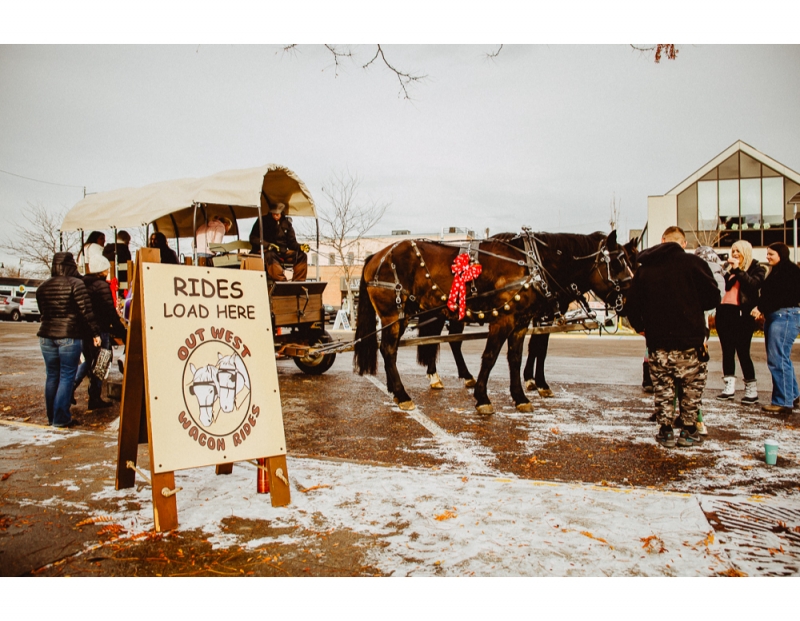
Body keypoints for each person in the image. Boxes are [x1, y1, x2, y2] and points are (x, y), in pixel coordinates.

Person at [624, 226, 721, 449]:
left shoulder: (645, 269)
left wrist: (641, 328)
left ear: (662, 240)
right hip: (690, 341)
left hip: (658, 342)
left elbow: (632, 306)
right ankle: (688, 430)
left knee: (663, 387)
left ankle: (665, 430)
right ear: (683, 244)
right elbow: (713, 298)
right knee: (691, 387)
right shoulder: (695, 264)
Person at [35, 252, 101, 428]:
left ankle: (51, 417)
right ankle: (61, 418)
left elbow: (43, 312)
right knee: (66, 376)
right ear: (71, 266)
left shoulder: (42, 287)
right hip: (69, 335)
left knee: (52, 376)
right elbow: (86, 311)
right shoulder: (76, 284)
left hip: (46, 336)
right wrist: (95, 333)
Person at [713, 240, 765, 404]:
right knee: (727, 351)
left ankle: (751, 389)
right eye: (733, 250)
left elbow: (753, 285)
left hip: (742, 314)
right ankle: (729, 387)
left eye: (738, 251)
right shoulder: (728, 270)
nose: (735, 254)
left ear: (746, 252)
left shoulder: (757, 268)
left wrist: (738, 269)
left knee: (743, 351)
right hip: (724, 312)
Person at [751, 242, 800, 415]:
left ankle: (783, 401)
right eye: (767, 253)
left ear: (781, 254)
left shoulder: (788, 272)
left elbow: (777, 295)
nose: (768, 256)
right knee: (781, 357)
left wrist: (761, 307)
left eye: (771, 254)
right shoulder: (781, 270)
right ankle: (792, 395)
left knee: (777, 359)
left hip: (784, 316)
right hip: (780, 316)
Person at [74, 254, 128, 410]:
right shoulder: (102, 286)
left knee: (88, 361)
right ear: (102, 270)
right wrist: (121, 331)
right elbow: (109, 312)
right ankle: (95, 397)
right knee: (101, 362)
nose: (108, 271)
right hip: (101, 330)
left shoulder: (82, 284)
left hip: (85, 329)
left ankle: (70, 388)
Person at [249, 202, 308, 281]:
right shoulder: (262, 221)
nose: (276, 216)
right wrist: (268, 245)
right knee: (270, 255)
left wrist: (300, 247)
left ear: (282, 213)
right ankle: (281, 281)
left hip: (282, 252)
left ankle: (298, 282)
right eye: (274, 214)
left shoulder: (287, 224)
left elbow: (292, 243)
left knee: (302, 256)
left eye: (277, 214)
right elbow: (253, 238)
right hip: (267, 251)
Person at [103, 230, 132, 299]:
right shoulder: (124, 250)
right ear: (126, 240)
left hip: (106, 279)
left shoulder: (106, 249)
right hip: (120, 281)